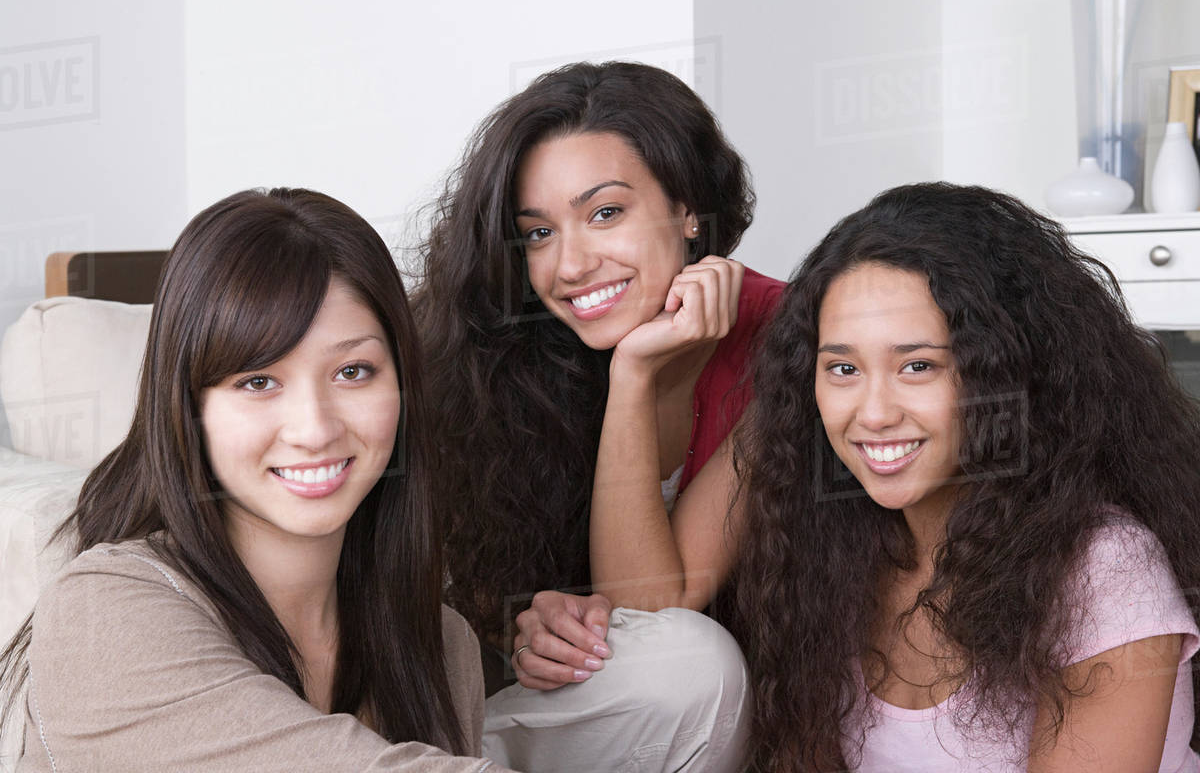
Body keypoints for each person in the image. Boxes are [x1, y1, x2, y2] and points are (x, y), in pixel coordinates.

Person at [0, 188, 514, 771]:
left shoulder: (440, 644)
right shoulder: (106, 610)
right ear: (189, 407)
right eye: (258, 381)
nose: (314, 429)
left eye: (353, 371)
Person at [731, 182, 1200, 772]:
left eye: (918, 365)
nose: (872, 413)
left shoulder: (1105, 568)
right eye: (843, 368)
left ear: (1007, 374)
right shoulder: (828, 549)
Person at [414, 61, 782, 770]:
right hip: (605, 718)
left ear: (688, 209)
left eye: (605, 213)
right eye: (539, 234)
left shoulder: (790, 342)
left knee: (689, 663)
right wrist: (534, 630)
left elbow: (654, 607)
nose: (571, 265)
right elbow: (572, 627)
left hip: (723, 712)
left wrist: (635, 374)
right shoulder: (501, 356)